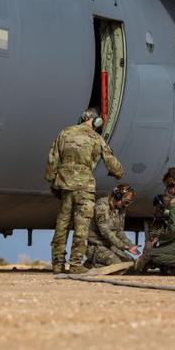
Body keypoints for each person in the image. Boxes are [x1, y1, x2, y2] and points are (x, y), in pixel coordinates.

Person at [45, 108, 124, 274]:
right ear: (96, 122)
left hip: (65, 186)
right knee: (81, 226)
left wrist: (53, 182)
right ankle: (75, 264)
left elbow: (52, 160)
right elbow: (113, 164)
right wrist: (118, 173)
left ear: (82, 118)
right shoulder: (96, 137)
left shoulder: (64, 133)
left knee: (62, 224)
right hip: (85, 189)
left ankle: (57, 264)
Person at [85, 184, 139, 268]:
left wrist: (130, 245)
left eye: (129, 203)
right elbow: (105, 231)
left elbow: (119, 232)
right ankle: (91, 264)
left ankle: (96, 264)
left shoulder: (121, 209)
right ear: (118, 196)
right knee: (117, 265)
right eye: (126, 202)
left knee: (130, 263)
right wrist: (123, 246)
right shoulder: (102, 205)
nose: (126, 205)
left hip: (111, 247)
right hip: (97, 247)